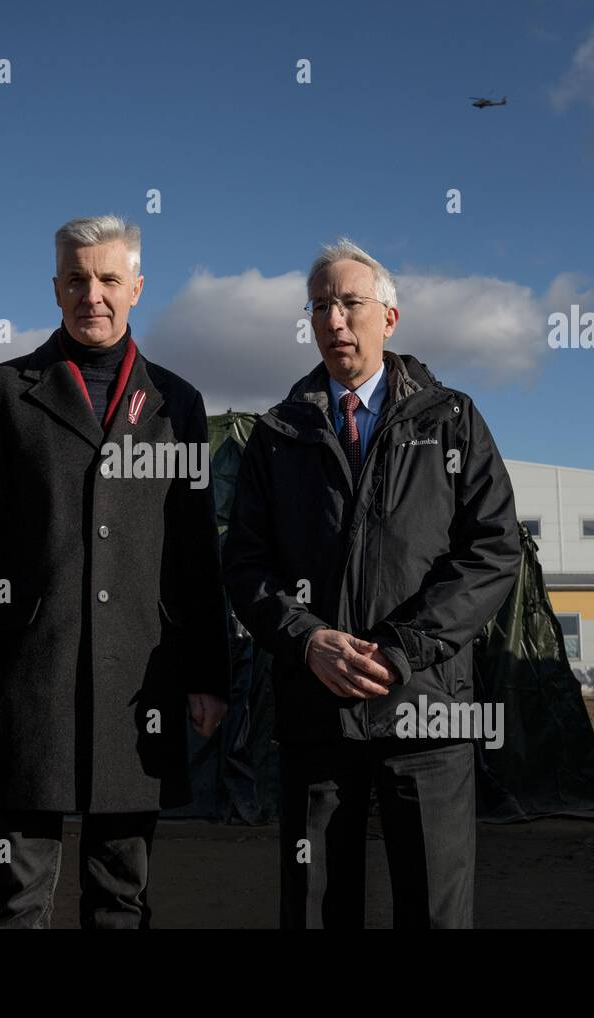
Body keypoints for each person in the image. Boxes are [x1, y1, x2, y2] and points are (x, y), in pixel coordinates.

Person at [0, 215, 231, 929]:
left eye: (106, 279)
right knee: (15, 898)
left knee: (121, 898)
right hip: (25, 680)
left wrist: (209, 672)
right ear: (55, 287)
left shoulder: (178, 404)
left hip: (139, 685)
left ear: (135, 287)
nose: (90, 294)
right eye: (75, 279)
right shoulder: (0, 393)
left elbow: (194, 547)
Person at [223, 238, 521, 929]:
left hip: (427, 710)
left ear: (389, 319)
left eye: (349, 303)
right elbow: (245, 565)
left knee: (434, 911)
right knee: (317, 909)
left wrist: (402, 649)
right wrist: (308, 641)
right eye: (320, 306)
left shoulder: (451, 420)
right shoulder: (276, 433)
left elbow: (493, 550)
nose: (333, 320)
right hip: (315, 714)